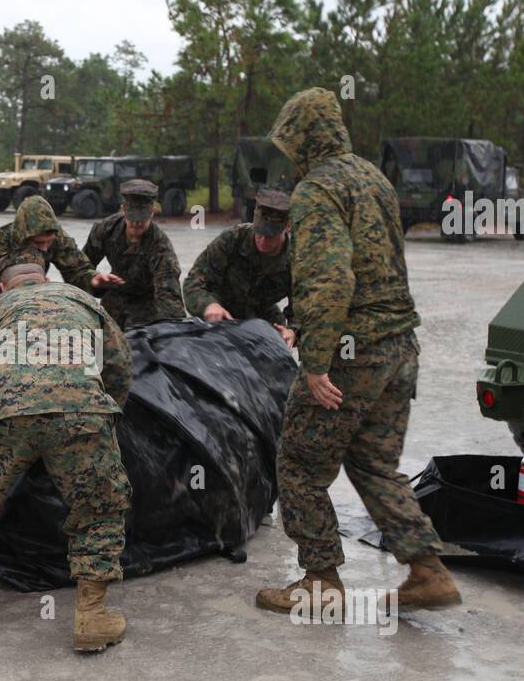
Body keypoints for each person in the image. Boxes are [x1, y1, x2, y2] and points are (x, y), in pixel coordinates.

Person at [255, 87, 461, 617]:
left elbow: (329, 280)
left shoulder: (316, 189)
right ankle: (428, 570)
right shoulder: (374, 178)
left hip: (354, 352)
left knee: (299, 462)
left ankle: (321, 582)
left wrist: (318, 362)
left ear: (300, 138)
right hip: (399, 346)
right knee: (374, 462)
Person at [0, 262, 134, 653]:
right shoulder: (80, 298)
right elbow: (119, 363)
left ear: (3, 285)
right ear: (46, 280)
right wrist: (106, 413)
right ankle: (91, 616)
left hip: (9, 411)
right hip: (80, 411)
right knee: (99, 505)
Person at [0, 194, 123, 335]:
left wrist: (93, 280)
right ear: (24, 237)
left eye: (49, 242)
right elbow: (8, 300)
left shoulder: (53, 236)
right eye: (38, 244)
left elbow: (76, 268)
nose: (45, 249)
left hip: (11, 298)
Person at [182, 188, 296, 347]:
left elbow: (303, 308)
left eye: (270, 236)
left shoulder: (296, 260)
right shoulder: (233, 239)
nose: (262, 240)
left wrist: (292, 331)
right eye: (259, 232)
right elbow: (193, 283)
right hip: (219, 315)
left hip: (261, 319)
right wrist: (208, 305)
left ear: (288, 227)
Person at [82, 178, 185, 329]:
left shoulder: (160, 246)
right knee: (100, 347)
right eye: (132, 218)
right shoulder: (106, 229)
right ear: (123, 210)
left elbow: (168, 292)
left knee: (138, 347)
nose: (136, 223)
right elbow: (82, 265)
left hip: (146, 307)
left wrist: (177, 331)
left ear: (152, 213)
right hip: (113, 300)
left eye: (141, 219)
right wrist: (94, 280)